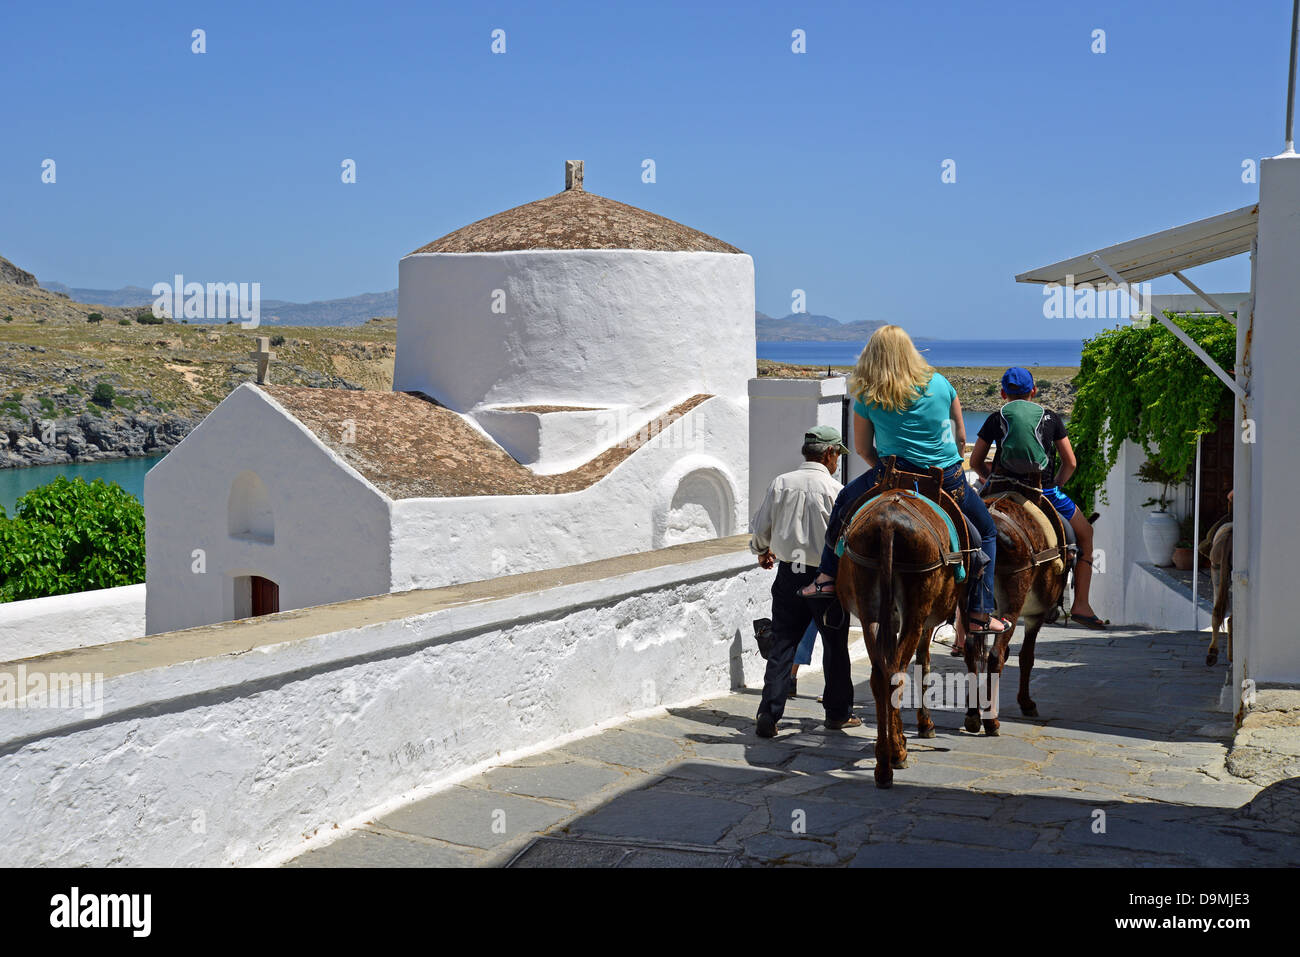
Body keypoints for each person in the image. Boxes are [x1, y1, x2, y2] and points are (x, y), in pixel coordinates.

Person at [798, 325, 1010, 638]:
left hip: (892, 475)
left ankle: (827, 576)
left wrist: (883, 472)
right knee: (987, 531)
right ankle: (979, 611)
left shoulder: (870, 392)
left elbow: (862, 448)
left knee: (844, 503)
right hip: (945, 480)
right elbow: (961, 437)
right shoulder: (941, 383)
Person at [967, 366, 1106, 629]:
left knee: (966, 533)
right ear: (1034, 390)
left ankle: (963, 620)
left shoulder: (996, 417)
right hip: (1042, 491)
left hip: (999, 486)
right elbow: (1071, 462)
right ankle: (1081, 605)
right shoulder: (1051, 418)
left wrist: (988, 478)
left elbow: (975, 461)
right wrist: (1055, 485)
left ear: (1002, 393)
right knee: (1085, 534)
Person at [750, 425, 858, 738]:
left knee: (783, 643)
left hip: (789, 573)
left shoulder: (781, 483)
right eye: (837, 454)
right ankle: (837, 715)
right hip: (826, 579)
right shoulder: (837, 492)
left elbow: (761, 526)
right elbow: (846, 540)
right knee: (835, 646)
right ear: (829, 453)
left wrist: (762, 551)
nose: (837, 461)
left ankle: (768, 714)